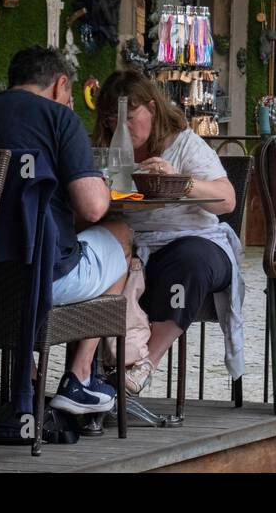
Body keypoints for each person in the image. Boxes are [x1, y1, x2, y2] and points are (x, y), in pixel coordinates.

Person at [0, 46, 130, 417]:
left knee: (19, 248)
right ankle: (80, 376)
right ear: (60, 85)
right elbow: (92, 207)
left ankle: (31, 378)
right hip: (44, 280)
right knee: (121, 234)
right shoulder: (58, 118)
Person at [92, 71, 242, 396]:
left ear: (152, 108)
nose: (120, 127)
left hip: (195, 242)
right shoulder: (110, 153)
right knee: (95, 257)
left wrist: (180, 182)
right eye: (110, 120)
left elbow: (227, 199)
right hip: (137, 248)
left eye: (129, 118)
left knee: (189, 261)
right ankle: (91, 375)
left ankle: (145, 363)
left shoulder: (184, 144)